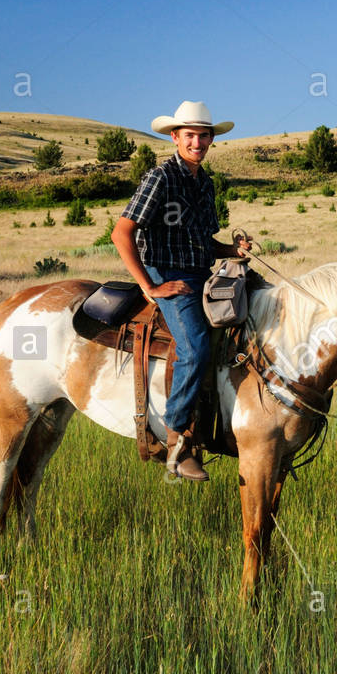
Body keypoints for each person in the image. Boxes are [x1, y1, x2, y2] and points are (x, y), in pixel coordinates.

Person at [112, 100, 251, 481]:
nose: (197, 142)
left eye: (204, 135)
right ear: (175, 137)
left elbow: (204, 242)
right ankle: (179, 438)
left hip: (198, 270)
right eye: (190, 135)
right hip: (167, 272)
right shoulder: (161, 178)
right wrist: (150, 286)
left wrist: (232, 251)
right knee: (194, 348)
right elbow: (121, 232)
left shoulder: (204, 183)